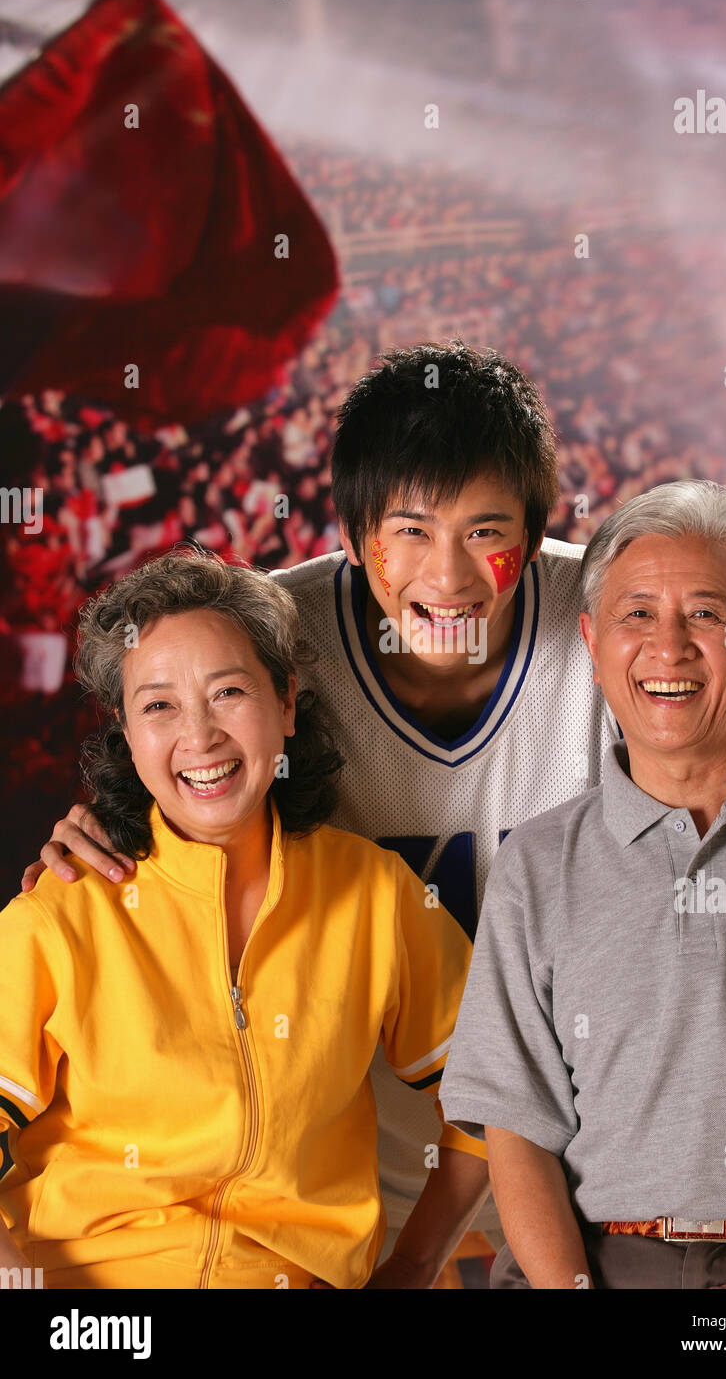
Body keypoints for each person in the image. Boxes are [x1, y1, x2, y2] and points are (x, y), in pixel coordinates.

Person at [20, 343, 726, 1271]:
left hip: (586, 1186)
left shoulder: (616, 611)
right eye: (410, 531)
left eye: (486, 532)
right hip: (341, 1208)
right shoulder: (271, 638)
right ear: (350, 536)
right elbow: (182, 731)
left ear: (537, 538)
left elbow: (698, 660)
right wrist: (111, 821)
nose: (450, 575)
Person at [0, 548, 487, 1289]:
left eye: (228, 692)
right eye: (157, 705)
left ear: (286, 702)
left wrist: (416, 1263)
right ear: (128, 738)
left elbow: (497, 1093)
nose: (199, 736)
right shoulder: (60, 913)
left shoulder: (377, 897)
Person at [440, 480, 726, 1290]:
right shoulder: (536, 861)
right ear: (593, 643)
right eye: (637, 615)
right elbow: (515, 1125)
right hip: (590, 1264)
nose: (668, 647)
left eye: (706, 613)